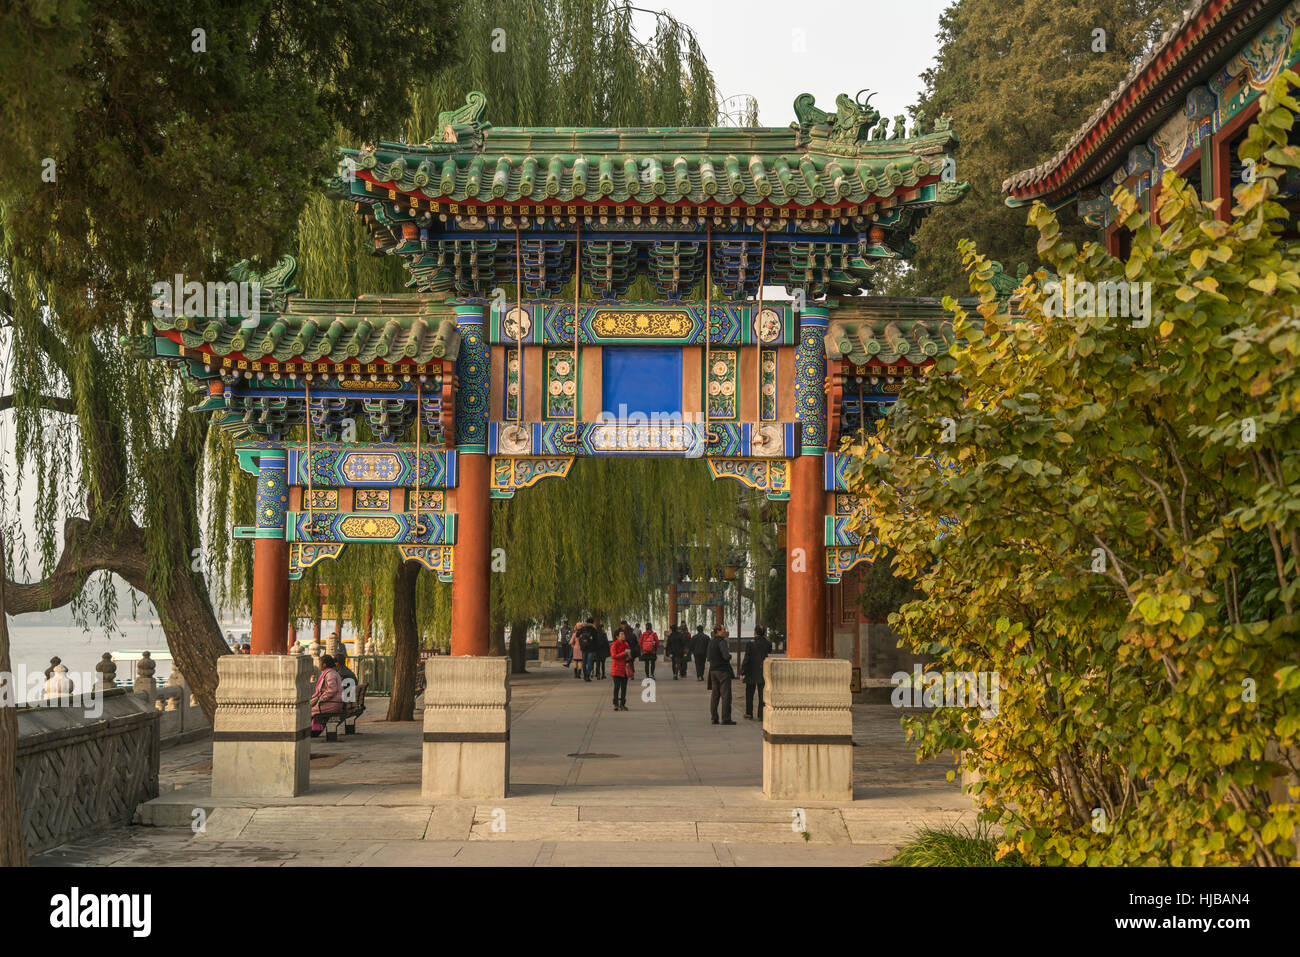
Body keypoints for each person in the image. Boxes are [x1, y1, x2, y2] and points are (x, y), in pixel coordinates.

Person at [739, 625, 773, 720]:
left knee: (749, 693)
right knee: (762, 694)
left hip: (751, 672)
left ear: (755, 632)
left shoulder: (750, 643)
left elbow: (747, 658)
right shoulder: (768, 643)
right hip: (762, 671)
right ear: (764, 633)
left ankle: (749, 713)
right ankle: (761, 715)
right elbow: (769, 650)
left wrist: (742, 672)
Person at [706, 625, 736, 725]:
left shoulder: (711, 642)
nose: (725, 631)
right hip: (723, 671)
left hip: (713, 670)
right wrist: (729, 656)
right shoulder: (722, 642)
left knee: (715, 695)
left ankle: (714, 717)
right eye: (723, 630)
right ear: (718, 631)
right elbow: (726, 656)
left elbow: (708, 657)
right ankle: (726, 718)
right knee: (726, 695)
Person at [310, 654, 344, 736]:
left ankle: (314, 731)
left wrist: (321, 698)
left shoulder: (330, 674)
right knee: (312, 708)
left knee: (309, 710)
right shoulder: (331, 672)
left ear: (324, 664)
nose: (319, 665)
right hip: (335, 702)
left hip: (334, 703)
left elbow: (332, 690)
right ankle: (315, 730)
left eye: (320, 663)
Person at [609, 625, 633, 710]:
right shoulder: (614, 645)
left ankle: (622, 703)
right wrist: (624, 653)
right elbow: (614, 656)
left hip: (625, 669)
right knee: (617, 687)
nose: (623, 636)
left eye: (624, 634)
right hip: (616, 669)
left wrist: (629, 655)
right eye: (621, 634)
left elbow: (629, 656)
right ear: (617, 636)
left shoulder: (626, 644)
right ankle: (616, 704)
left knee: (624, 687)